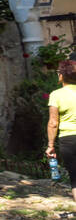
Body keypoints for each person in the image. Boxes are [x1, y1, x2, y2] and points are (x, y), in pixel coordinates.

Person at [46, 59, 76, 203]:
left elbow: (53, 123)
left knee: (75, 178)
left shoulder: (56, 95)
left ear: (61, 75)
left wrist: (50, 145)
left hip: (69, 140)